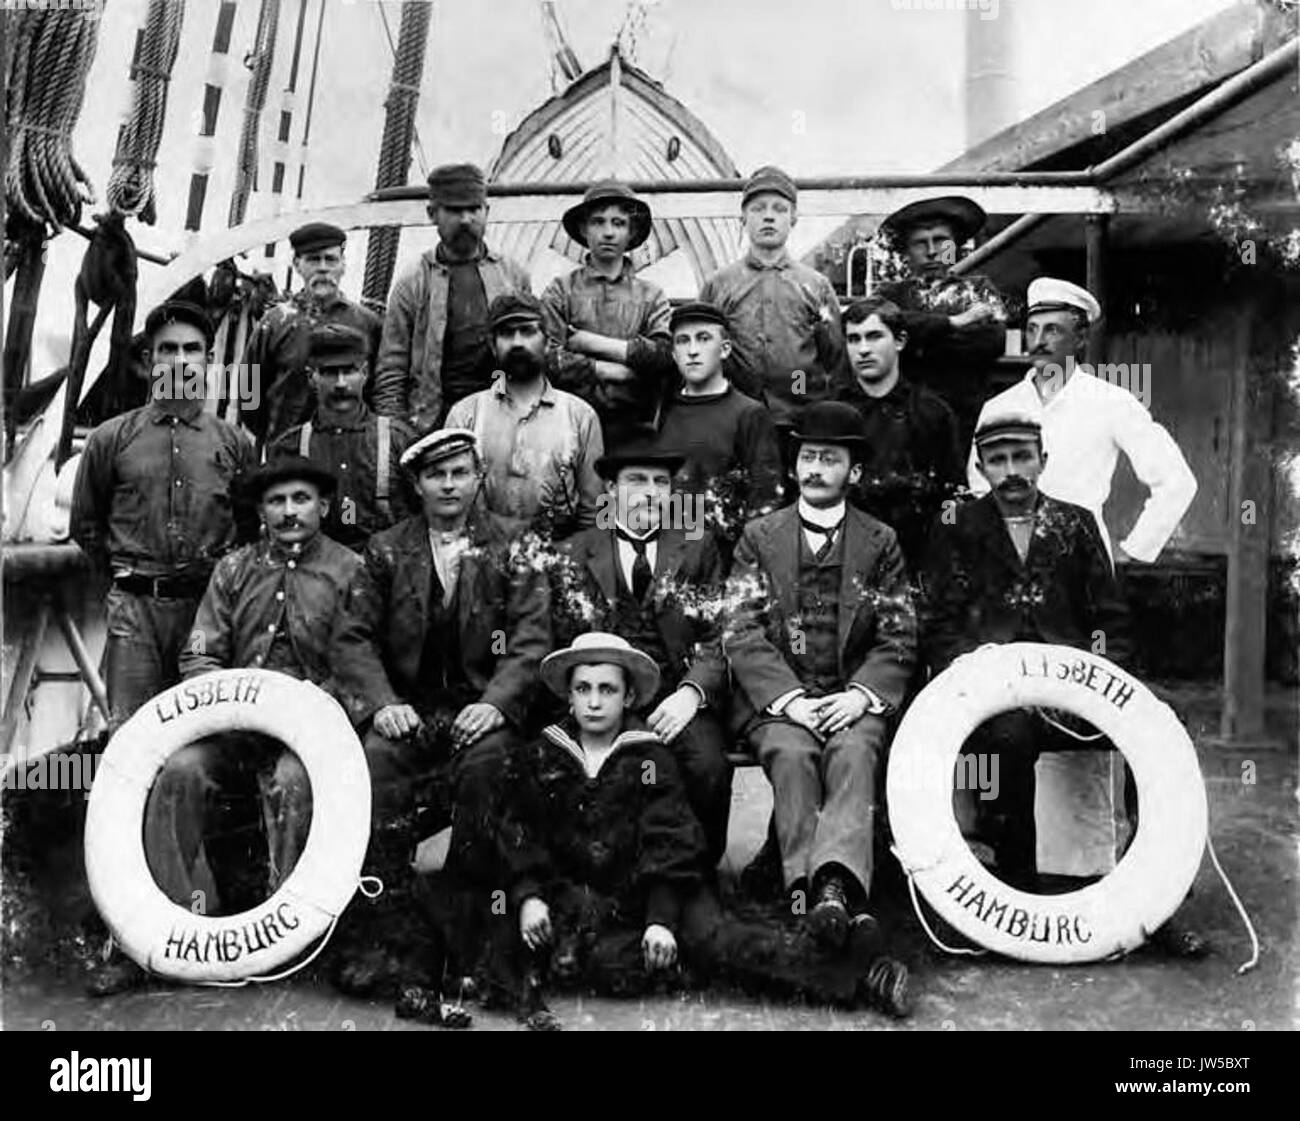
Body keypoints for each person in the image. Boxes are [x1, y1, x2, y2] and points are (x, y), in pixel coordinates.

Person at [400, 633, 912, 1030]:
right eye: (583, 689)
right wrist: (529, 895)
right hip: (573, 894)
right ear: (569, 698)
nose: (595, 702)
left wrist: (662, 917)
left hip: (648, 889)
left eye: (608, 690)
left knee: (719, 941)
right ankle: (424, 979)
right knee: (469, 914)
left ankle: (857, 973)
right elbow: (517, 831)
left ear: (627, 698)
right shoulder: (542, 754)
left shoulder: (648, 756)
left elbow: (672, 838)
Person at [922, 408, 1207, 957]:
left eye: (1022, 458)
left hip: (1076, 689)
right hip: (995, 695)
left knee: (1164, 729)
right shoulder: (957, 525)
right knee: (1006, 741)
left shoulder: (1075, 524)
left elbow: (1112, 622)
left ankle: (1157, 900)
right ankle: (1016, 894)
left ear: (1043, 461)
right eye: (998, 460)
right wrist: (990, 684)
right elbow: (940, 627)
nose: (1012, 472)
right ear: (981, 467)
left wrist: (1091, 688)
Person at [344, 427, 552, 995]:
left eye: (461, 472)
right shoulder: (387, 549)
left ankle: (470, 937)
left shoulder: (515, 543)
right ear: (416, 483)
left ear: (480, 477)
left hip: (478, 710)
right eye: (437, 475)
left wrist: (495, 705)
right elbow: (354, 639)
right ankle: (386, 934)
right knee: (375, 766)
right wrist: (383, 705)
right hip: (410, 712)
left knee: (487, 770)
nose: (450, 484)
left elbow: (532, 641)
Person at [726, 402, 917, 944]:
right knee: (792, 753)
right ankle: (805, 890)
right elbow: (740, 627)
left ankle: (832, 887)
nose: (815, 469)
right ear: (794, 466)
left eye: (830, 460)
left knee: (855, 753)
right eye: (808, 457)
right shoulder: (759, 537)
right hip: (782, 702)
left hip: (850, 697)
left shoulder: (880, 542)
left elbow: (899, 632)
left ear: (853, 473)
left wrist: (861, 697)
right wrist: (789, 700)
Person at [70, 298, 256, 735]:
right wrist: (128, 578)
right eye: (167, 349)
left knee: (205, 734)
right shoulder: (110, 438)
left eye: (191, 350)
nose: (179, 360)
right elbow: (86, 525)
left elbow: (249, 533)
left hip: (207, 612)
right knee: (131, 736)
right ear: (149, 360)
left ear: (208, 360)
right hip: (135, 612)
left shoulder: (234, 444)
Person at [552, 431, 733, 863]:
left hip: (675, 692)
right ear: (612, 490)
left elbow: (721, 632)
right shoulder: (574, 552)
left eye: (660, 482)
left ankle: (697, 876)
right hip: (602, 691)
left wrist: (691, 693)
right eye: (637, 480)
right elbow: (560, 641)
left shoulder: (697, 546)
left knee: (708, 765)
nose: (650, 492)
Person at [967, 277, 1198, 566]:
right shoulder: (999, 407)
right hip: (1008, 562)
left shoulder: (1111, 402)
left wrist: (1133, 550)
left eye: (1052, 330)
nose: (1038, 342)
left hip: (1081, 564)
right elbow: (980, 487)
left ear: (1080, 339)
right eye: (1032, 330)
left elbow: (1176, 481)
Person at [373, 163, 532, 430]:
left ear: (487, 211)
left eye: (474, 209)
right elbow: (392, 366)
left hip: (500, 413)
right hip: (432, 419)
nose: (466, 219)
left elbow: (531, 352)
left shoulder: (512, 276)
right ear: (432, 214)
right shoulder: (413, 281)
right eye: (454, 210)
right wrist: (394, 433)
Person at [699, 166, 847, 450]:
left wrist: (811, 405)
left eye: (779, 209)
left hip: (799, 422)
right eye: (757, 208)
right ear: (742, 218)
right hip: (734, 420)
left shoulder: (816, 286)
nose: (768, 216)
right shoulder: (718, 286)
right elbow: (703, 354)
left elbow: (834, 358)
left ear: (793, 218)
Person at [445, 293, 604, 540]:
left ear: (548, 343)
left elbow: (594, 513)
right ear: (492, 345)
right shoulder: (466, 414)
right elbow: (448, 506)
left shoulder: (580, 417)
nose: (517, 342)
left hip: (557, 558)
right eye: (507, 333)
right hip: (479, 561)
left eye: (527, 331)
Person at [835, 296, 964, 570]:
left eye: (874, 337)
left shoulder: (933, 413)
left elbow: (953, 495)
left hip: (917, 557)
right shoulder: (832, 414)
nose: (863, 349)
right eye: (854, 339)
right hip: (845, 559)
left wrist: (946, 552)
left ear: (900, 341)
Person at [541, 180, 675, 435]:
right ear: (583, 229)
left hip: (636, 423)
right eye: (598, 222)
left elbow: (664, 355)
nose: (609, 232)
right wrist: (614, 370)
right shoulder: (561, 291)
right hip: (571, 422)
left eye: (619, 223)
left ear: (632, 231)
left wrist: (587, 342)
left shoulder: (651, 296)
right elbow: (548, 358)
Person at [268, 323, 415, 551]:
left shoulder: (399, 442)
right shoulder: (290, 447)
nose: (340, 384)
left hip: (386, 575)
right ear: (311, 377)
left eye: (349, 371)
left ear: (365, 372)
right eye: (329, 372)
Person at [875, 196, 1007, 443]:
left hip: (966, 416)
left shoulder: (978, 289)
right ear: (907, 252)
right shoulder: (890, 294)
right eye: (920, 243)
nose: (932, 251)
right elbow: (881, 328)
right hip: (906, 418)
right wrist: (952, 324)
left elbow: (992, 341)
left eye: (941, 241)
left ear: (954, 248)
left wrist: (917, 340)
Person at [240, 222, 382, 448]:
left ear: (343, 264)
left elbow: (376, 392)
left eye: (331, 259)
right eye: (314, 259)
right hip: (286, 452)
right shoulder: (274, 323)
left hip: (348, 451)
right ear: (297, 264)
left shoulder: (367, 324)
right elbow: (248, 393)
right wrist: (275, 437)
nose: (323, 268)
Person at [655, 300, 784, 539]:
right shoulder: (662, 410)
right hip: (670, 554)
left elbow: (766, 501)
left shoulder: (749, 414)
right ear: (674, 354)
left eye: (704, 338)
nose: (692, 350)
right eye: (683, 341)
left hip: (725, 553)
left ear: (725, 349)